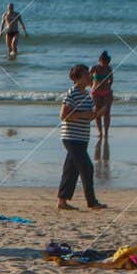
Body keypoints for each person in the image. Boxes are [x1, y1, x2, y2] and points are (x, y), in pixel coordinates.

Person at [58, 62, 105, 211]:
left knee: (71, 170)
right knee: (87, 168)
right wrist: (84, 114)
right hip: (71, 137)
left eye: (89, 74)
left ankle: (62, 201)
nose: (89, 76)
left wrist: (97, 114)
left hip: (82, 138)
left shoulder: (86, 94)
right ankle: (92, 202)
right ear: (77, 78)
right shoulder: (72, 92)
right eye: (86, 74)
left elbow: (88, 117)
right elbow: (64, 115)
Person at [90, 50, 114, 156]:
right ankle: (100, 132)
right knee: (97, 112)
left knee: (107, 113)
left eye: (106, 62)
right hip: (96, 92)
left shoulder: (109, 69)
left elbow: (111, 80)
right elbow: (88, 78)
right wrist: (93, 86)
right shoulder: (94, 68)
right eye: (103, 62)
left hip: (106, 92)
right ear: (100, 60)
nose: (105, 64)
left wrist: (108, 86)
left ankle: (106, 132)